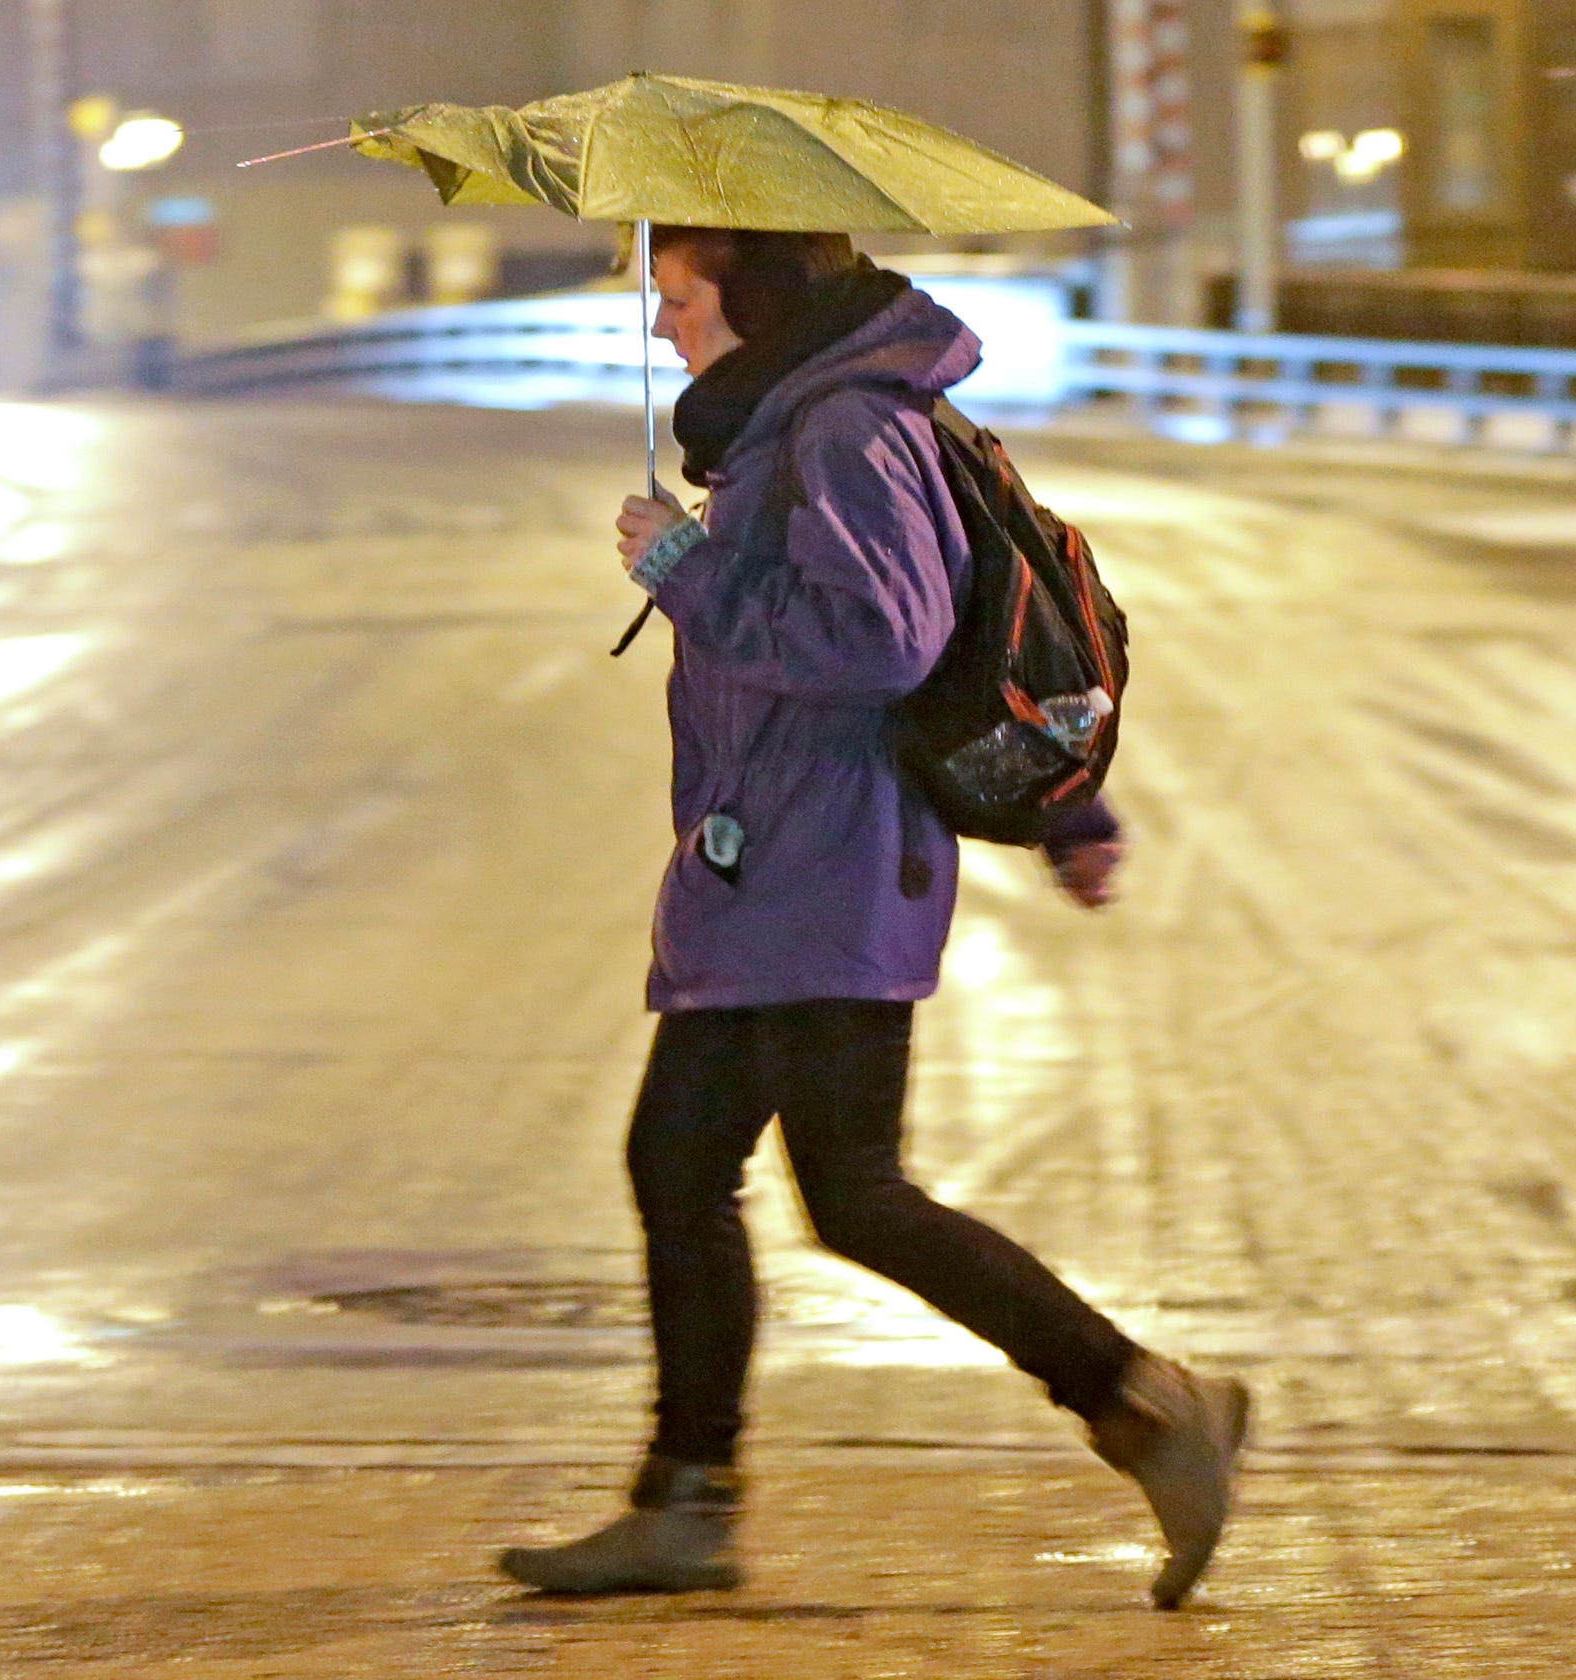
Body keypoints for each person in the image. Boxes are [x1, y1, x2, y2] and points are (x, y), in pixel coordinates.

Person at [494, 227, 1249, 1610]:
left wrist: (686, 568)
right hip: (781, 868)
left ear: (754, 298)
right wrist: (1058, 816)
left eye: (677, 295)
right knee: (715, 1172)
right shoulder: (815, 419)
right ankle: (692, 1499)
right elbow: (943, 632)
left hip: (820, 871)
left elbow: (885, 641)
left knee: (836, 1192)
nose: (662, 326)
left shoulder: (841, 428)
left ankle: (1138, 1402)